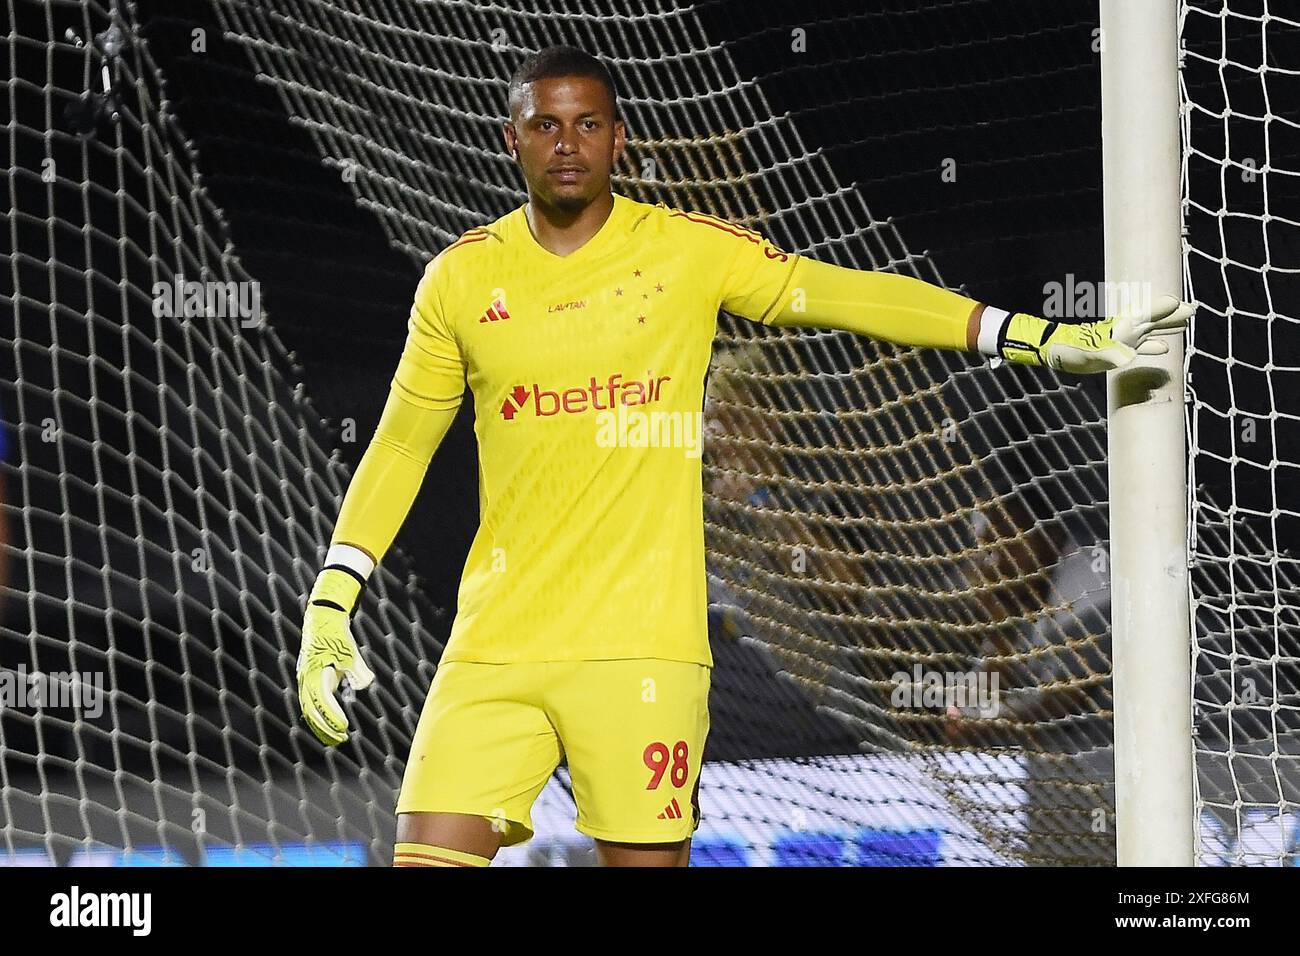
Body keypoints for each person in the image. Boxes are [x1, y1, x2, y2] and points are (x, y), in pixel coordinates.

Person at [294, 44, 1191, 868]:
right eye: (545, 124)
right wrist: (335, 594)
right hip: (495, 646)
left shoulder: (686, 253)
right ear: (512, 138)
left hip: (642, 653)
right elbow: (402, 442)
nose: (567, 143)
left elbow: (846, 295)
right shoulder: (461, 276)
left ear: (619, 139)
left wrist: (1029, 337)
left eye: (588, 123)